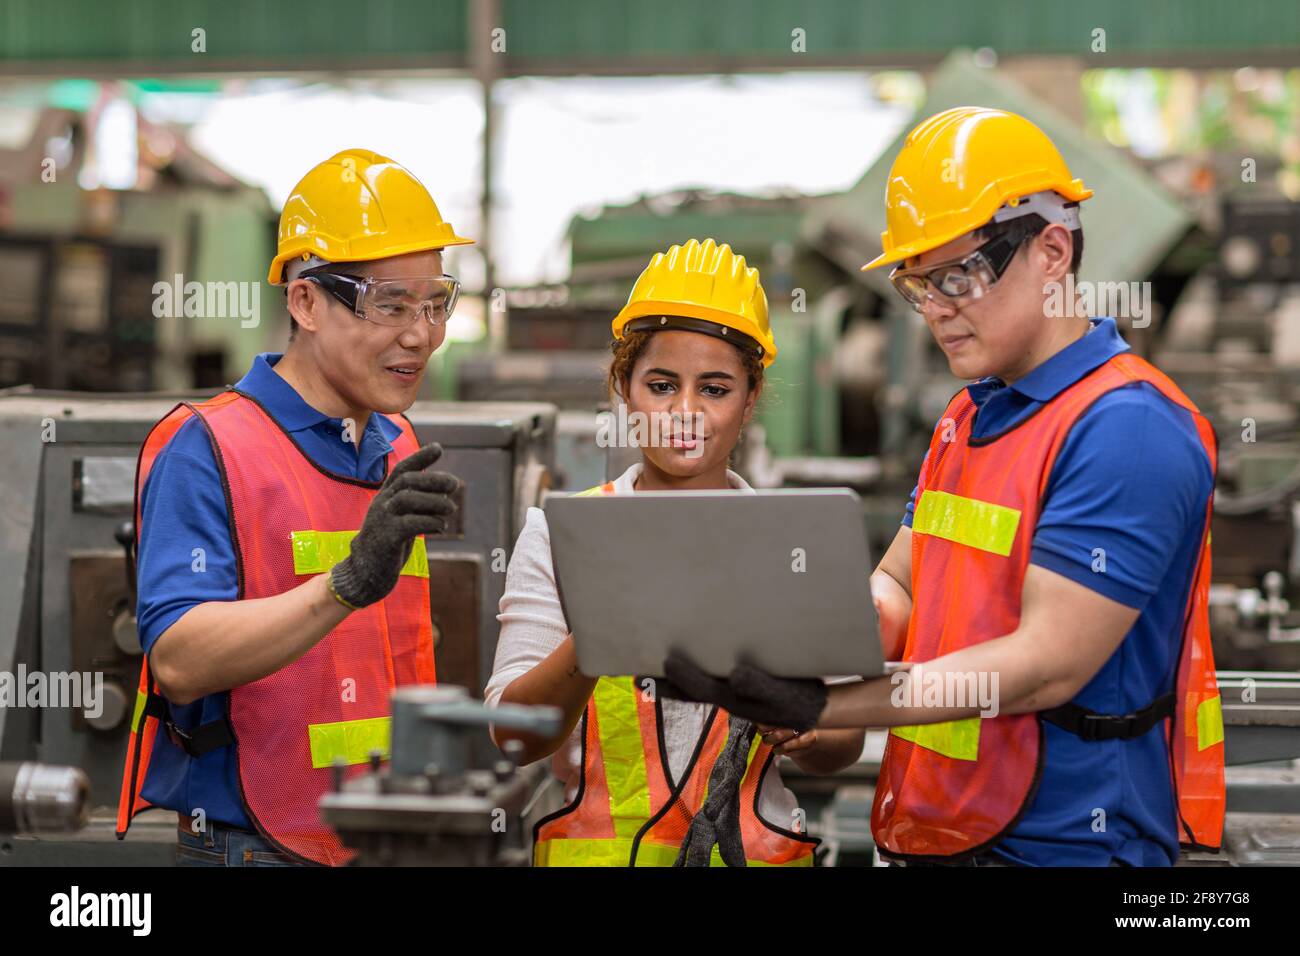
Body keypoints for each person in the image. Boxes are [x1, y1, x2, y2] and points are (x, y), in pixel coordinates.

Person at [662, 108, 1225, 867]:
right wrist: (797, 648)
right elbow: (901, 580)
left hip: (1065, 847)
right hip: (941, 826)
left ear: (1052, 250)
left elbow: (1044, 665)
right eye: (917, 284)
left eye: (958, 276)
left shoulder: (1126, 429)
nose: (934, 310)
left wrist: (828, 703)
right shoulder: (972, 414)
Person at [116, 149, 469, 866]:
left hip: (384, 841)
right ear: (305, 301)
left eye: (435, 304)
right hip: (254, 846)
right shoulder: (208, 445)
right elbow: (178, 658)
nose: (420, 335)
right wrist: (345, 583)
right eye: (391, 304)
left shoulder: (396, 440)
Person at [486, 238, 866, 867]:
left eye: (714, 390)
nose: (684, 413)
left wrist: (810, 726)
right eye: (662, 385)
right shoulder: (561, 534)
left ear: (749, 399)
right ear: (624, 387)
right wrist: (595, 638)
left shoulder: (795, 543)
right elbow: (509, 736)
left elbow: (844, 740)